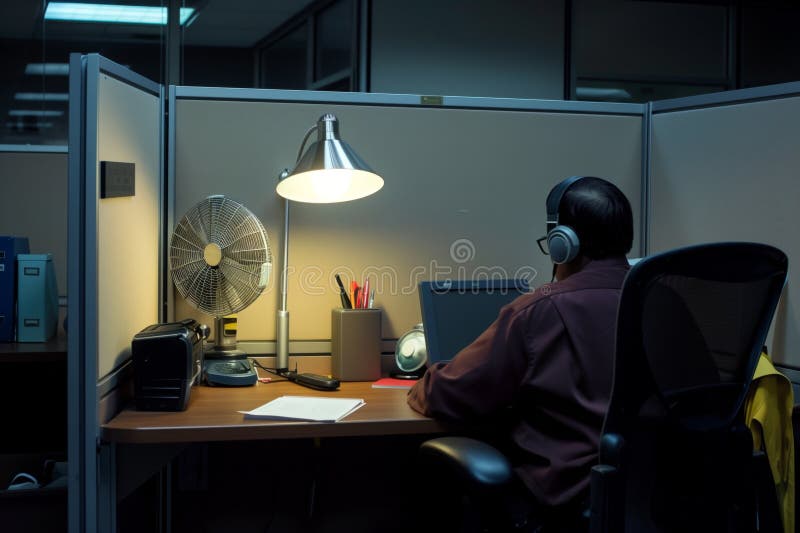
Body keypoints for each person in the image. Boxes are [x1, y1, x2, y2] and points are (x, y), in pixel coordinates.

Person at [407, 176, 634, 525]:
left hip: (567, 498)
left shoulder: (539, 311)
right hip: (662, 499)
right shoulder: (663, 300)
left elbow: (450, 392)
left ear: (563, 244)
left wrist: (427, 376)